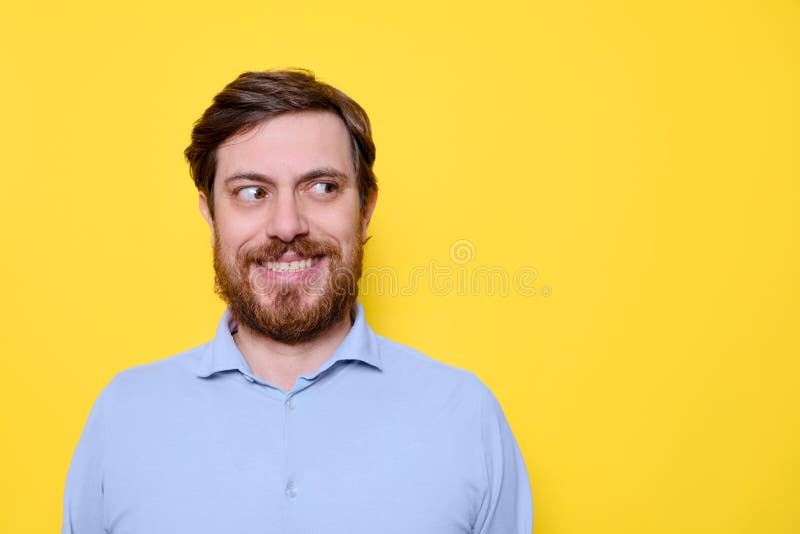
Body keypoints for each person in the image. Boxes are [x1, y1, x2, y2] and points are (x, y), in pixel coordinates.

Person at [62, 69, 532, 534]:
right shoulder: (124, 418)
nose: (287, 225)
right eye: (252, 192)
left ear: (365, 207)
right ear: (210, 214)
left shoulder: (465, 417)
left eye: (322, 187)